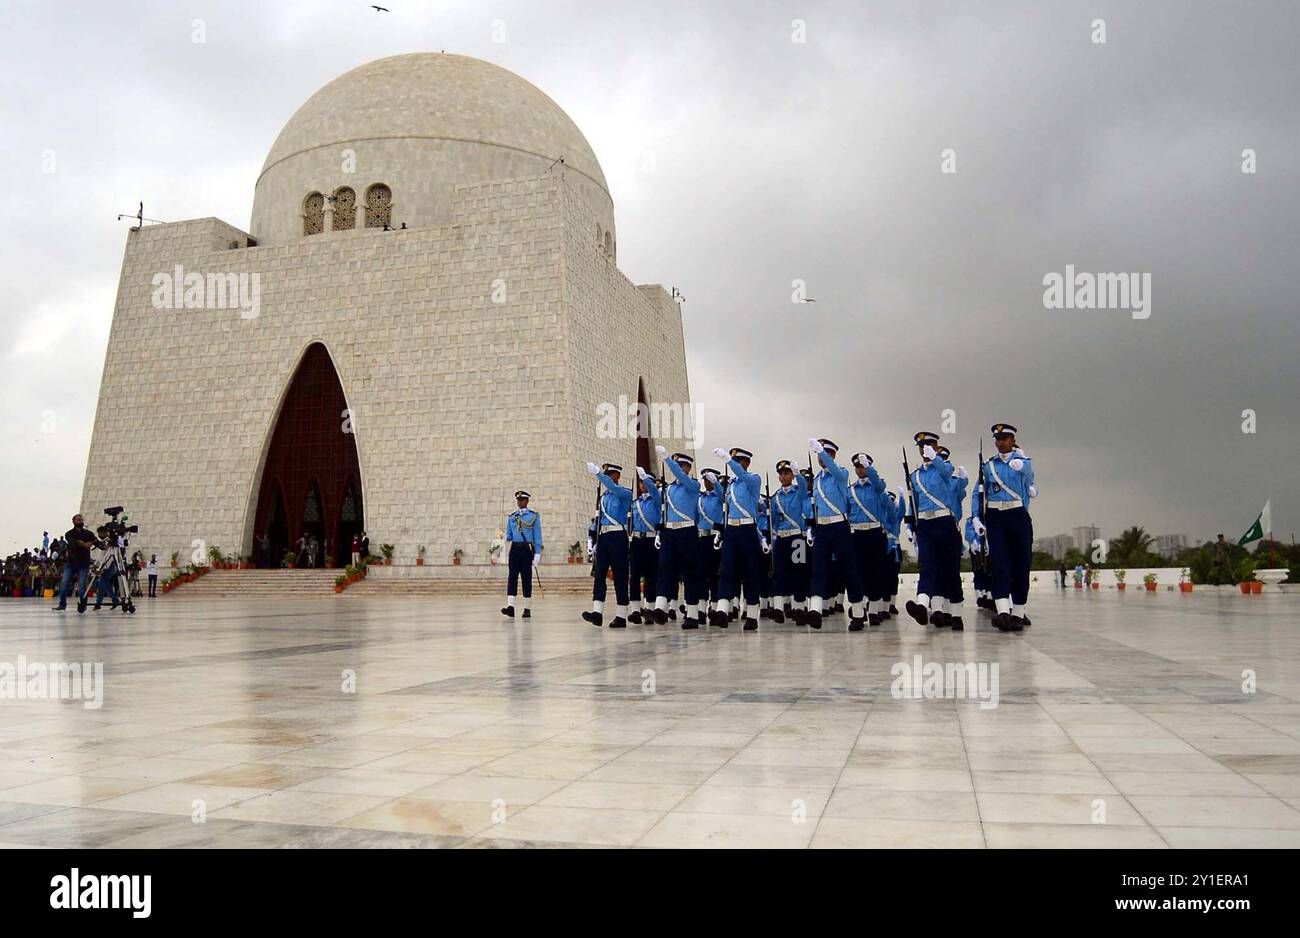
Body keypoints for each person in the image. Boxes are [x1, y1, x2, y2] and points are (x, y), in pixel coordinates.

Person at [973, 422, 1036, 631]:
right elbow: (978, 492)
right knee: (999, 564)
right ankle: (1002, 613)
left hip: (1017, 515)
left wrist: (1022, 464)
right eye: (998, 439)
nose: (1001, 442)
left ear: (1013, 440)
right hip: (995, 517)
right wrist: (976, 517)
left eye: (1005, 438)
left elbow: (1031, 477)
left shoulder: (1023, 461)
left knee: (1021, 564)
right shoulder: (988, 466)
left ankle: (1018, 613)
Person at [904, 431, 963, 629]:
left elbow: (947, 472)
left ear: (936, 446)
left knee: (950, 570)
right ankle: (922, 605)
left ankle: (956, 614)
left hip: (945, 522)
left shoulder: (944, 468)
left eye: (928, 444)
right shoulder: (915, 476)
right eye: (922, 446)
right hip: (925, 525)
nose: (924, 448)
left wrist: (935, 457)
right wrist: (910, 526)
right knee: (928, 567)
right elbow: (914, 503)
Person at [806, 438, 866, 631]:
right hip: (822, 529)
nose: (821, 459)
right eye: (819, 455)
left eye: (824, 454)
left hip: (839, 527)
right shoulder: (816, 480)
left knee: (849, 570)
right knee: (818, 569)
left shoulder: (841, 474)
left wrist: (821, 452)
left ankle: (857, 613)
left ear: (832, 455)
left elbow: (835, 470)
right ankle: (815, 611)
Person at [709, 446, 765, 630]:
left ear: (747, 463)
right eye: (734, 461)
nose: (735, 465)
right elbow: (724, 500)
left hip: (748, 529)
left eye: (739, 461)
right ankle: (723, 612)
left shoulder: (753, 480)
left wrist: (728, 460)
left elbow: (741, 473)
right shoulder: (731, 485)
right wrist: (716, 484)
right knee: (726, 571)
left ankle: (751, 615)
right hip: (732, 530)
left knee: (750, 573)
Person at [651, 446, 705, 630]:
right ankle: (660, 608)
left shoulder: (693, 485)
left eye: (682, 465)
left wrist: (667, 460)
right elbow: (663, 510)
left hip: (687, 532)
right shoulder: (669, 489)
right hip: (670, 532)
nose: (679, 469)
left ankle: (692, 614)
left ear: (688, 467)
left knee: (690, 573)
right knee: (665, 569)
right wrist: (660, 532)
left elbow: (681, 477)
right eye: (677, 465)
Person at [583, 462, 632, 628]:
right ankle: (597, 612)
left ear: (617, 476)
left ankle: (621, 615)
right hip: (604, 537)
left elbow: (614, 488)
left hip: (618, 536)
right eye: (606, 475)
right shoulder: (603, 497)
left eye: (610, 475)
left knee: (620, 575)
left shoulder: (624, 493)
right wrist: (592, 539)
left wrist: (598, 474)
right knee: (599, 574)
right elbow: (598, 520)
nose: (607, 478)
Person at [847, 452, 891, 626]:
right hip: (857, 534)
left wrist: (871, 469)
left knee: (876, 572)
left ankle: (873, 609)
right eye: (857, 467)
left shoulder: (878, 486)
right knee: (859, 572)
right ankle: (860, 609)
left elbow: (879, 484)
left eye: (863, 466)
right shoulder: (850, 490)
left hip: (875, 533)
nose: (860, 470)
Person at [769, 459, 809, 624]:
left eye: (787, 473)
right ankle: (778, 609)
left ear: (792, 475)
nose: (784, 476)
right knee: (779, 574)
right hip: (781, 538)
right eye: (781, 474)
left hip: (797, 538)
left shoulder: (799, 492)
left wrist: (798, 473)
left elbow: (805, 486)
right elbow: (773, 520)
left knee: (798, 573)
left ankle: (799, 609)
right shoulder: (775, 497)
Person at [501, 490, 542, 618]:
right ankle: (510, 607)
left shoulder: (533, 516)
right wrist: (504, 537)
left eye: (522, 500)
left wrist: (537, 554)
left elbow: (537, 535)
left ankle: (527, 607)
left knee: (526, 578)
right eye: (518, 500)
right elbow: (510, 534)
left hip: (526, 549)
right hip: (514, 549)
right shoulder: (512, 517)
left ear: (527, 501)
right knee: (512, 577)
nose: (520, 502)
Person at [627, 471, 661, 624]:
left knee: (651, 576)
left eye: (646, 482)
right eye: (641, 482)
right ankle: (635, 610)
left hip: (651, 540)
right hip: (637, 541)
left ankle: (650, 609)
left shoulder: (657, 500)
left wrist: (649, 482)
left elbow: (654, 491)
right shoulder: (635, 503)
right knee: (634, 576)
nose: (643, 485)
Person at [53, 514, 102, 612]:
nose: (80, 521)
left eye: (81, 520)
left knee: (82, 586)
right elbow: (74, 542)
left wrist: (92, 542)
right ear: (74, 521)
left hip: (84, 563)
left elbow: (97, 543)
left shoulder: (88, 533)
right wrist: (86, 544)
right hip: (71, 562)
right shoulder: (69, 533)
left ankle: (83, 605)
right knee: (64, 583)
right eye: (78, 520)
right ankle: (62, 604)